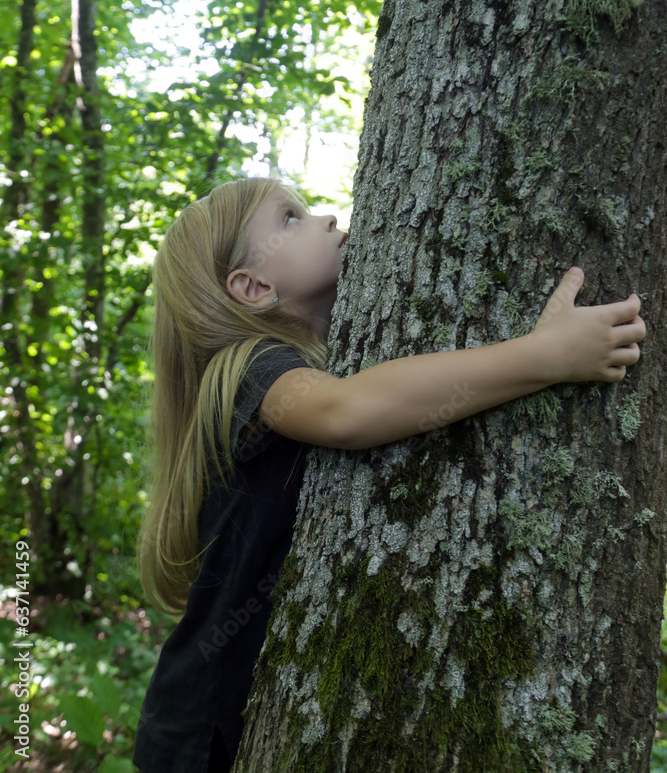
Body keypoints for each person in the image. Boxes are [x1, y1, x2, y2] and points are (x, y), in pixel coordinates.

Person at [133, 175, 646, 773]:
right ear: (252, 287)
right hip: (200, 730)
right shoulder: (245, 367)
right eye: (290, 219)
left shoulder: (308, 360)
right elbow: (348, 412)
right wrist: (545, 356)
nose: (326, 219)